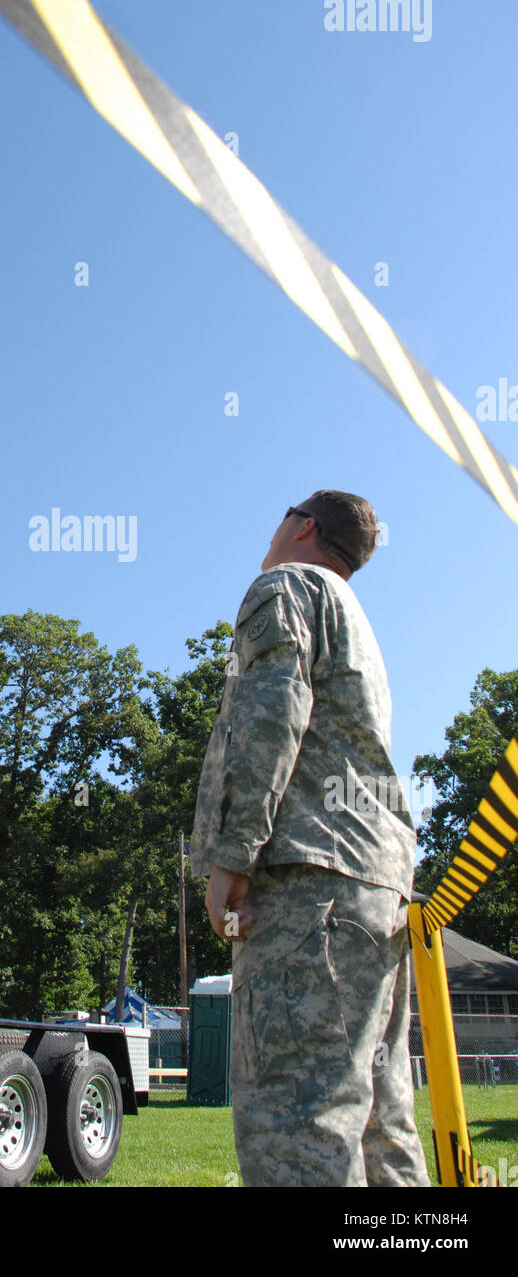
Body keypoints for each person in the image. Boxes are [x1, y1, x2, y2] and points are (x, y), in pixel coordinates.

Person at [190, 490, 430, 1187]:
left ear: (303, 526)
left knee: (296, 1126)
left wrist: (234, 855)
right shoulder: (355, 620)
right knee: (380, 1126)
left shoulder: (286, 585)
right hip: (375, 893)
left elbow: (272, 717)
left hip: (308, 889)